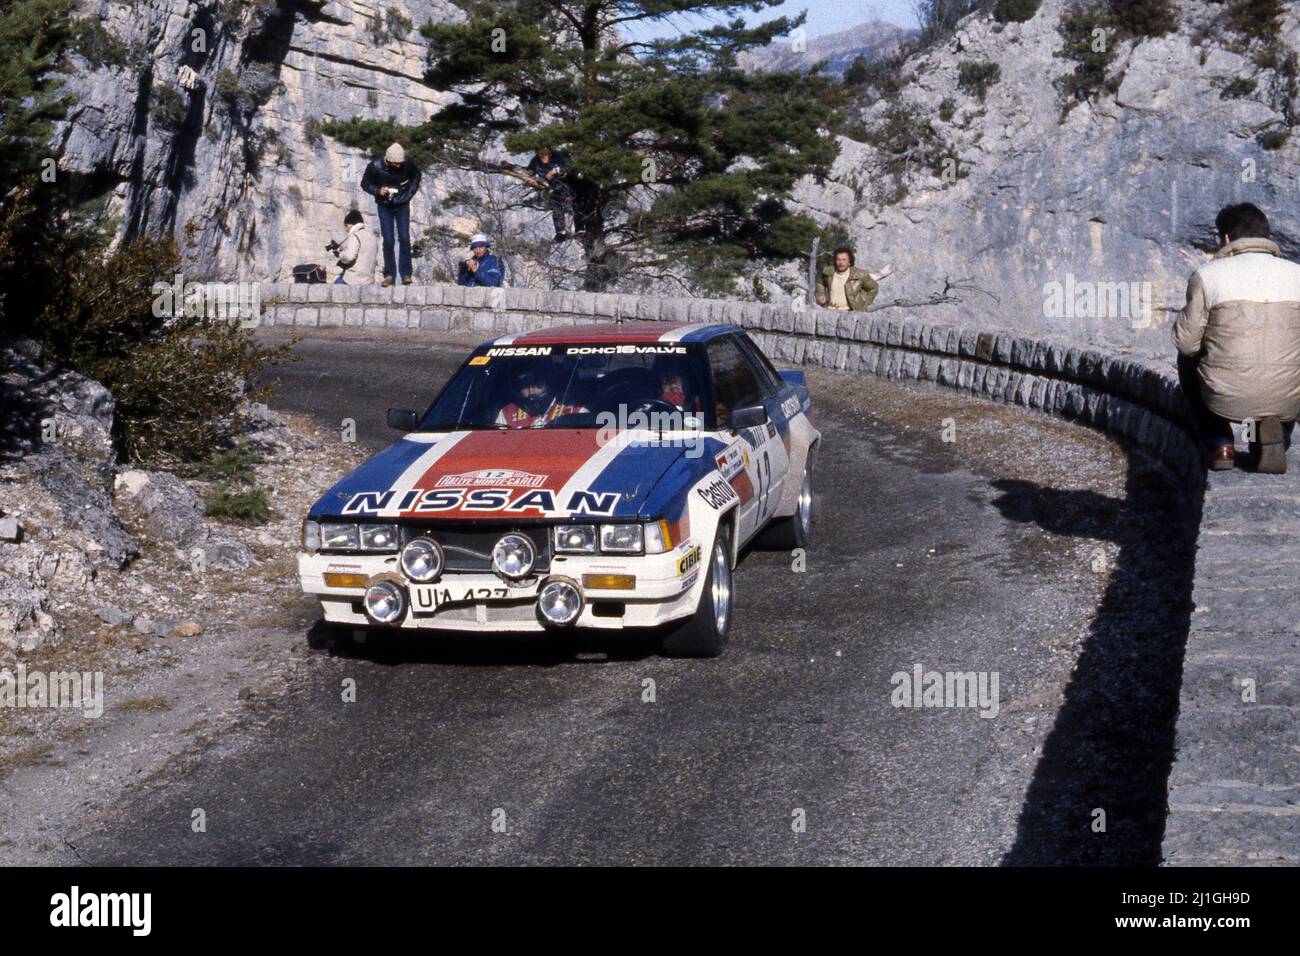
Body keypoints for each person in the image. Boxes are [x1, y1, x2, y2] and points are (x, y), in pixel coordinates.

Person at [1174, 202, 1300, 474]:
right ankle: (1272, 434)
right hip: (1288, 398)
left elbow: (1186, 343)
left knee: (1187, 360)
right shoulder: (1297, 274)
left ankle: (1220, 443)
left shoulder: (1208, 276)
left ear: (1227, 239)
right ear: (1266, 237)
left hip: (1226, 396)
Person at [361, 142, 421, 287]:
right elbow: (365, 183)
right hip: (384, 205)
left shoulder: (408, 163)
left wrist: (407, 196)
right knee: (388, 240)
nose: (398, 166)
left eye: (400, 163)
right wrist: (377, 191)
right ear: (387, 161)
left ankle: (406, 274)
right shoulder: (374, 166)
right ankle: (389, 274)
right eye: (395, 164)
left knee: (404, 237)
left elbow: (416, 177)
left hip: (402, 204)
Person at [495, 366, 587, 428]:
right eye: (525, 384)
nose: (531, 389)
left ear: (548, 384)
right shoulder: (507, 413)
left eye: (537, 383)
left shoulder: (575, 410)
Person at [526, 146, 574, 241]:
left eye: (544, 154)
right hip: (555, 189)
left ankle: (579, 229)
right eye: (539, 154)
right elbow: (528, 171)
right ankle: (561, 232)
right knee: (556, 207)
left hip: (569, 186)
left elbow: (570, 168)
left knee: (572, 207)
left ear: (549, 153)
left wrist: (556, 170)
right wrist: (509, 166)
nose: (542, 157)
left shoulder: (558, 156)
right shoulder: (535, 161)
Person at [815, 247, 879, 311]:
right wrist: (821, 294)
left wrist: (864, 302)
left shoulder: (860, 274)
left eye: (844, 259)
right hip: (831, 311)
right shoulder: (828, 272)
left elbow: (874, 287)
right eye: (838, 259)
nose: (841, 262)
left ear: (849, 262)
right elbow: (820, 282)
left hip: (852, 312)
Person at [325, 210, 372, 284]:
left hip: (355, 279)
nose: (346, 230)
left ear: (349, 225)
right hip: (368, 279)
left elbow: (349, 257)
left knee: (336, 284)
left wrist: (340, 254)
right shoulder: (372, 237)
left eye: (346, 226)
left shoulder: (355, 235)